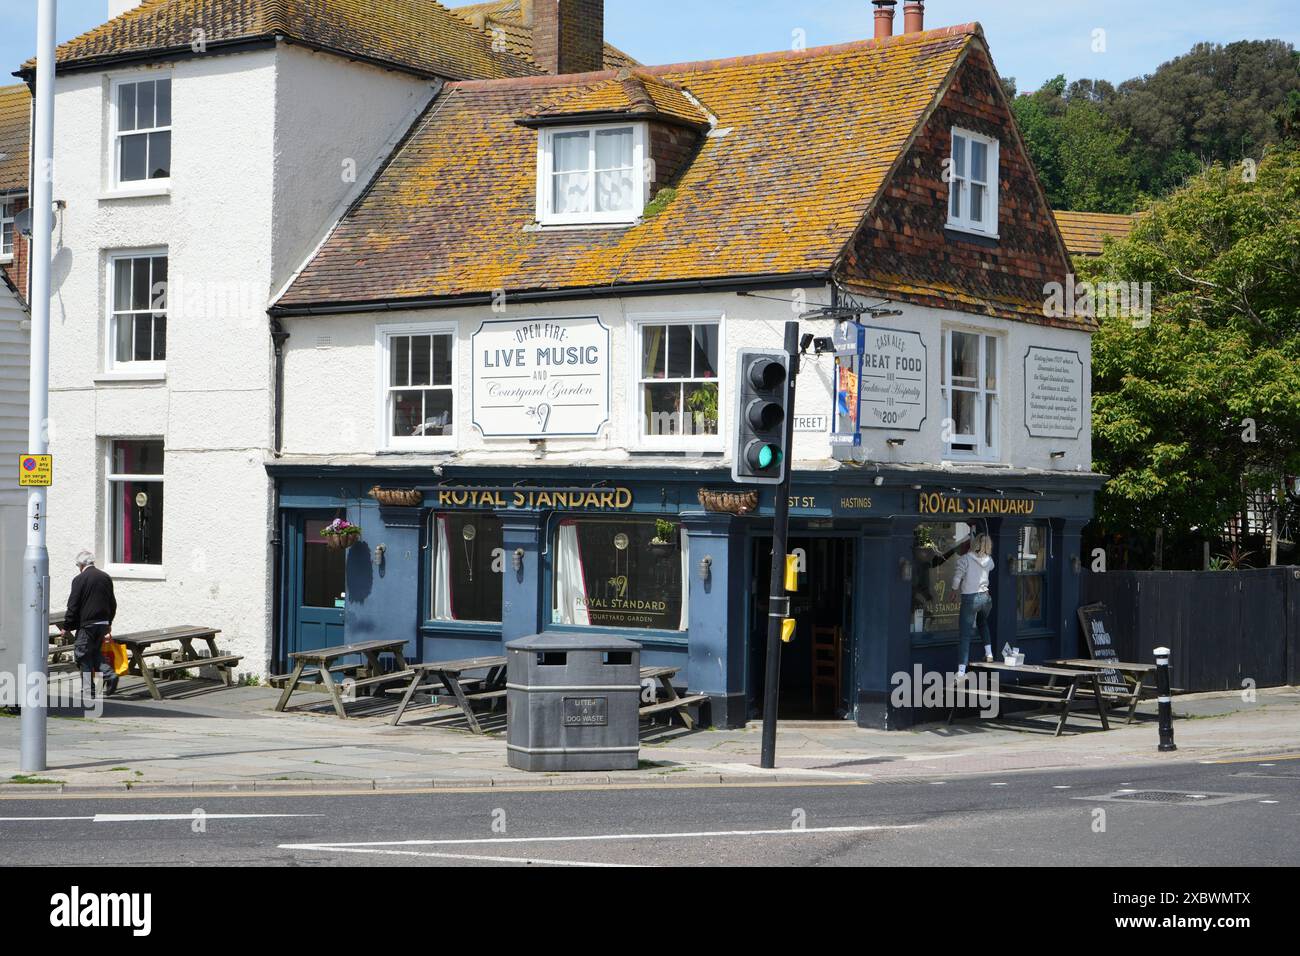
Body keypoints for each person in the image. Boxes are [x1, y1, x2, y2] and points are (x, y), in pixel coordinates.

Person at [65, 550, 118, 698]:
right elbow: (112, 603)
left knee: (82, 655)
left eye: (78, 565)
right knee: (94, 653)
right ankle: (109, 675)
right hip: (102, 622)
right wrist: (109, 622)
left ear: (81, 564)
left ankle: (88, 690)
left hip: (87, 624)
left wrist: (67, 626)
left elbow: (73, 605)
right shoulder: (106, 577)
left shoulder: (79, 579)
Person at [951, 533, 995, 678]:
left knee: (964, 635)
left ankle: (962, 670)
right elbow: (992, 567)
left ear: (974, 543)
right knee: (983, 623)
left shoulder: (965, 559)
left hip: (970, 598)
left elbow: (958, 577)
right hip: (986, 599)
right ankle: (989, 653)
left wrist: (953, 590)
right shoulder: (989, 560)